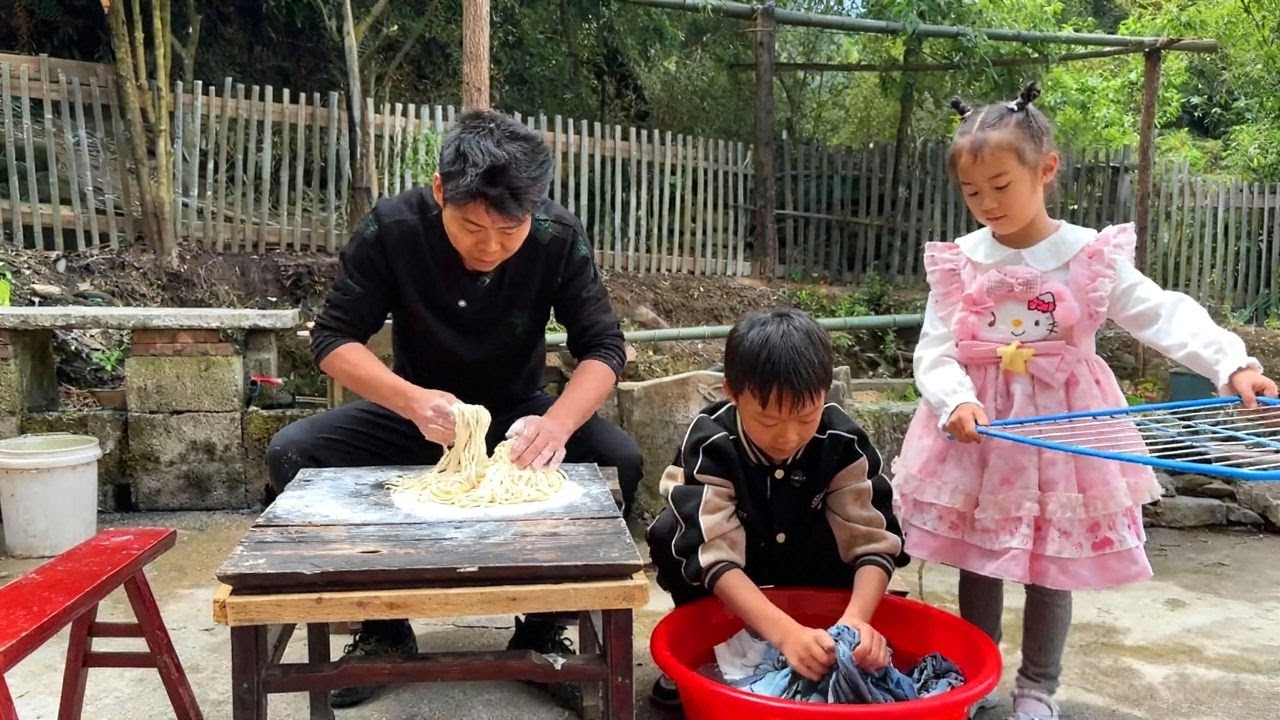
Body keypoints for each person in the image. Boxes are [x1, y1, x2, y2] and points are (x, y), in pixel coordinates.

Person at [892, 81, 1278, 720]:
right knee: (978, 559)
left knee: (1052, 561)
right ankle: (974, 676)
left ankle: (1038, 687)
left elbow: (1161, 312)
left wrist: (1231, 364)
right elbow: (935, 348)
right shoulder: (961, 261)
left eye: (1000, 185)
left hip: (1063, 431)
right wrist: (954, 399)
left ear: (1046, 169)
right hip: (981, 432)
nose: (987, 203)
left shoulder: (1087, 256)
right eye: (972, 191)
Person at [265, 109, 644, 710]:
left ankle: (542, 629)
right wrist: (410, 400)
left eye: (509, 231)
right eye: (471, 227)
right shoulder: (393, 227)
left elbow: (603, 347)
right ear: (441, 190)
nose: (489, 247)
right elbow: (332, 339)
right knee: (294, 453)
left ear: (534, 208)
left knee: (618, 460)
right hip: (416, 410)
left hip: (520, 414)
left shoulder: (557, 235)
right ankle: (384, 628)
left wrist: (556, 425)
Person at [645, 307, 909, 707]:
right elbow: (712, 551)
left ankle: (824, 629)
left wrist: (855, 622)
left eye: (806, 418)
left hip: (810, 566)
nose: (787, 437)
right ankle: (704, 638)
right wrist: (785, 634)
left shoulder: (842, 441)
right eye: (768, 421)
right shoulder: (712, 443)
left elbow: (873, 537)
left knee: (858, 548)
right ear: (731, 393)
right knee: (670, 532)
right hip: (740, 564)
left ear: (825, 393)